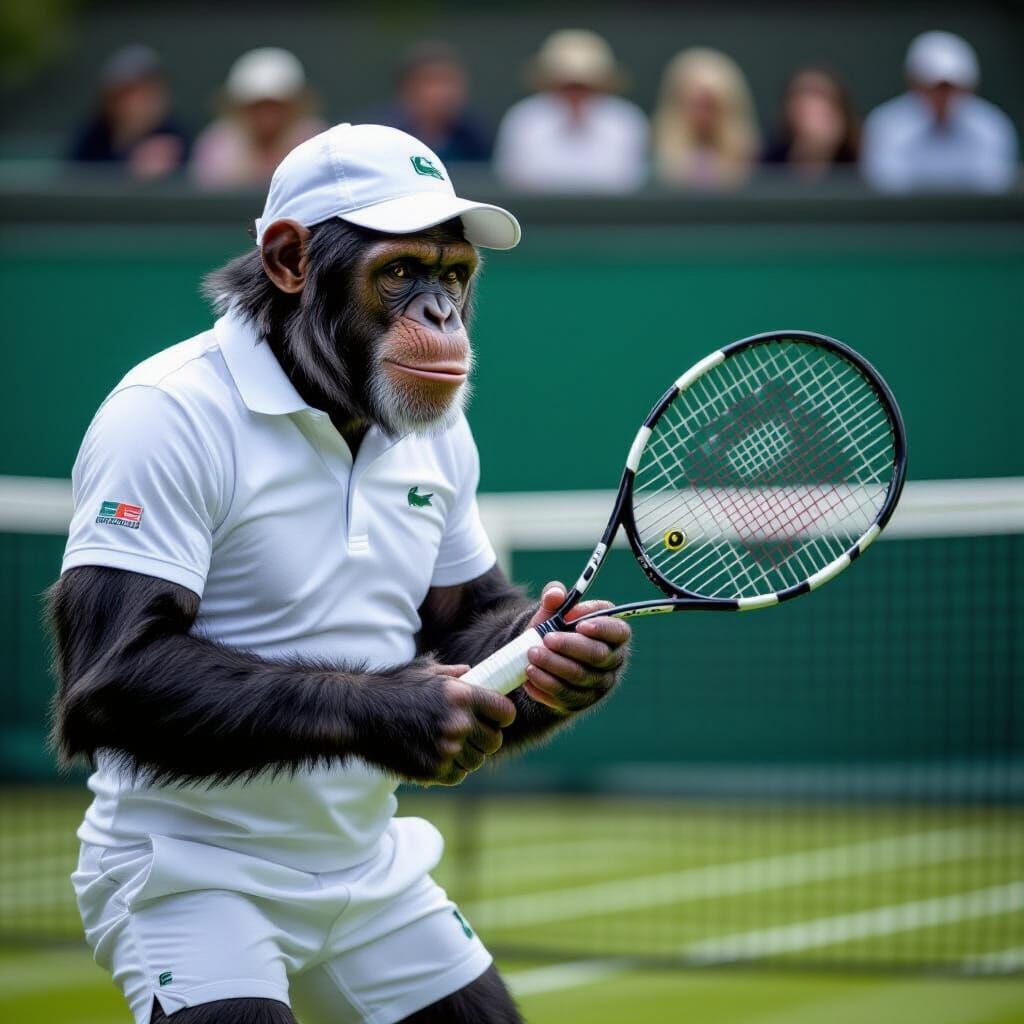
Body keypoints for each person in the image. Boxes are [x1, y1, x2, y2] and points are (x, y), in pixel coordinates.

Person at [51, 123, 631, 1024]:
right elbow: (111, 687)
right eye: (402, 273)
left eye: (455, 277)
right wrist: (376, 710)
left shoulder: (434, 431)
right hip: (189, 870)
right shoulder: (170, 414)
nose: (441, 316)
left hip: (368, 865)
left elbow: (464, 630)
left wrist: (540, 661)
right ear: (289, 260)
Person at [861, 30, 1019, 193]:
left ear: (970, 88)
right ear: (914, 84)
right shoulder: (886, 125)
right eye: (933, 88)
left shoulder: (992, 126)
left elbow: (992, 188)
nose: (943, 97)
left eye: (952, 88)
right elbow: (887, 187)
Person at [493, 29, 648, 193]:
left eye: (585, 86)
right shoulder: (524, 119)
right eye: (567, 86)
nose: (575, 94)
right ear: (550, 83)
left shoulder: (625, 121)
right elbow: (513, 181)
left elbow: (630, 183)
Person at [190, 47, 327, 189]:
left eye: (277, 107)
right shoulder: (217, 143)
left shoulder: (317, 140)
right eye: (256, 107)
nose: (266, 116)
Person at [68, 44, 189, 179]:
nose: (144, 102)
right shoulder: (92, 134)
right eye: (133, 93)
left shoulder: (176, 135)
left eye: (151, 92)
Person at [652, 48, 760, 189]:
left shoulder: (751, 154)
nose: (702, 114)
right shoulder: (654, 149)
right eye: (696, 104)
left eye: (710, 105)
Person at [369, 40, 492, 164]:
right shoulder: (378, 137)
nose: (446, 92)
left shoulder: (475, 137)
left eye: (451, 81)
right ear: (406, 87)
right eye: (433, 82)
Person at [763, 68, 859, 181]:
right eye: (805, 112)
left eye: (824, 114)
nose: (814, 121)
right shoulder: (770, 159)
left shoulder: (862, 156)